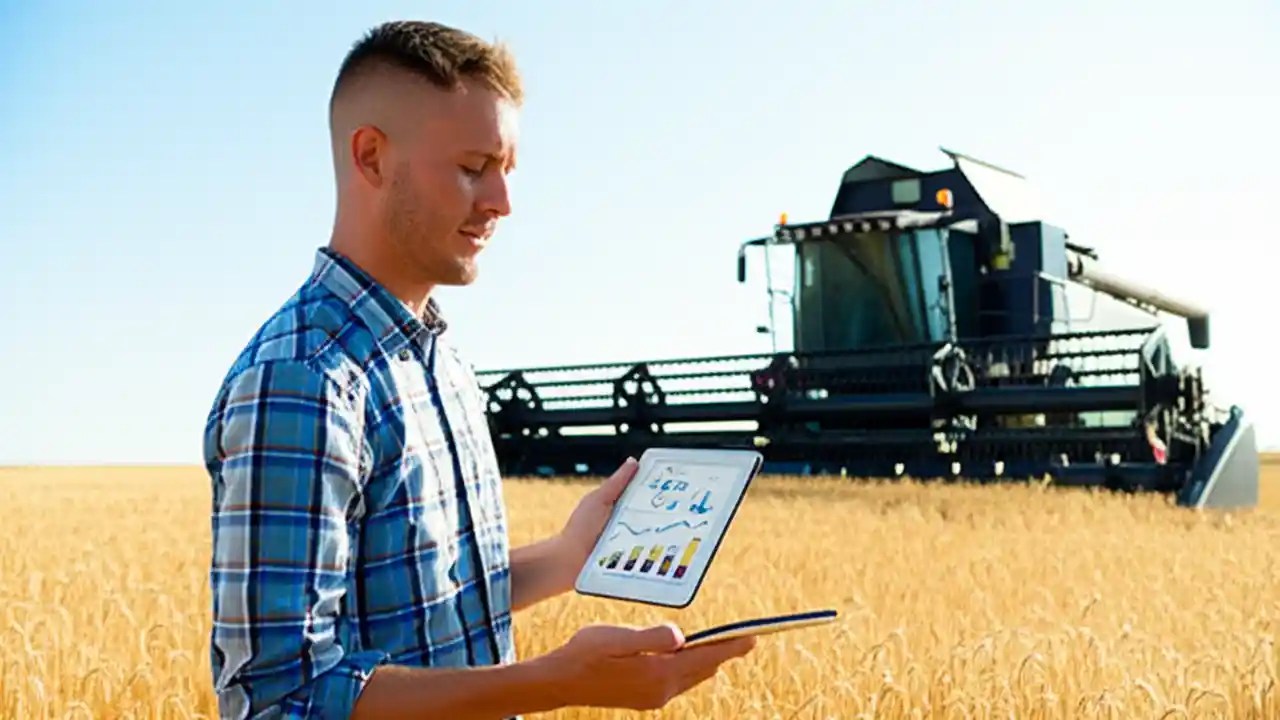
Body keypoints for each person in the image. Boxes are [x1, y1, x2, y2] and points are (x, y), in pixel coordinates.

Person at [202, 19, 754, 720]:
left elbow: (432, 601)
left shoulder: (443, 364)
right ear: (371, 157)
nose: (502, 202)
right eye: (472, 167)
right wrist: (559, 683)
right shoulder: (303, 380)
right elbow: (285, 698)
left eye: (508, 170)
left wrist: (568, 556)